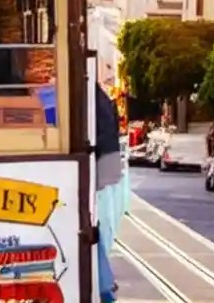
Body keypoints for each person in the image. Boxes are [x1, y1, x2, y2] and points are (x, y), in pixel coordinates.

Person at [94, 83, 122, 303]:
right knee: (91, 224)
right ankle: (104, 285)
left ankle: (104, 286)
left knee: (90, 224)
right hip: (104, 158)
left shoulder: (85, 92)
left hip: (100, 159)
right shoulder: (97, 94)